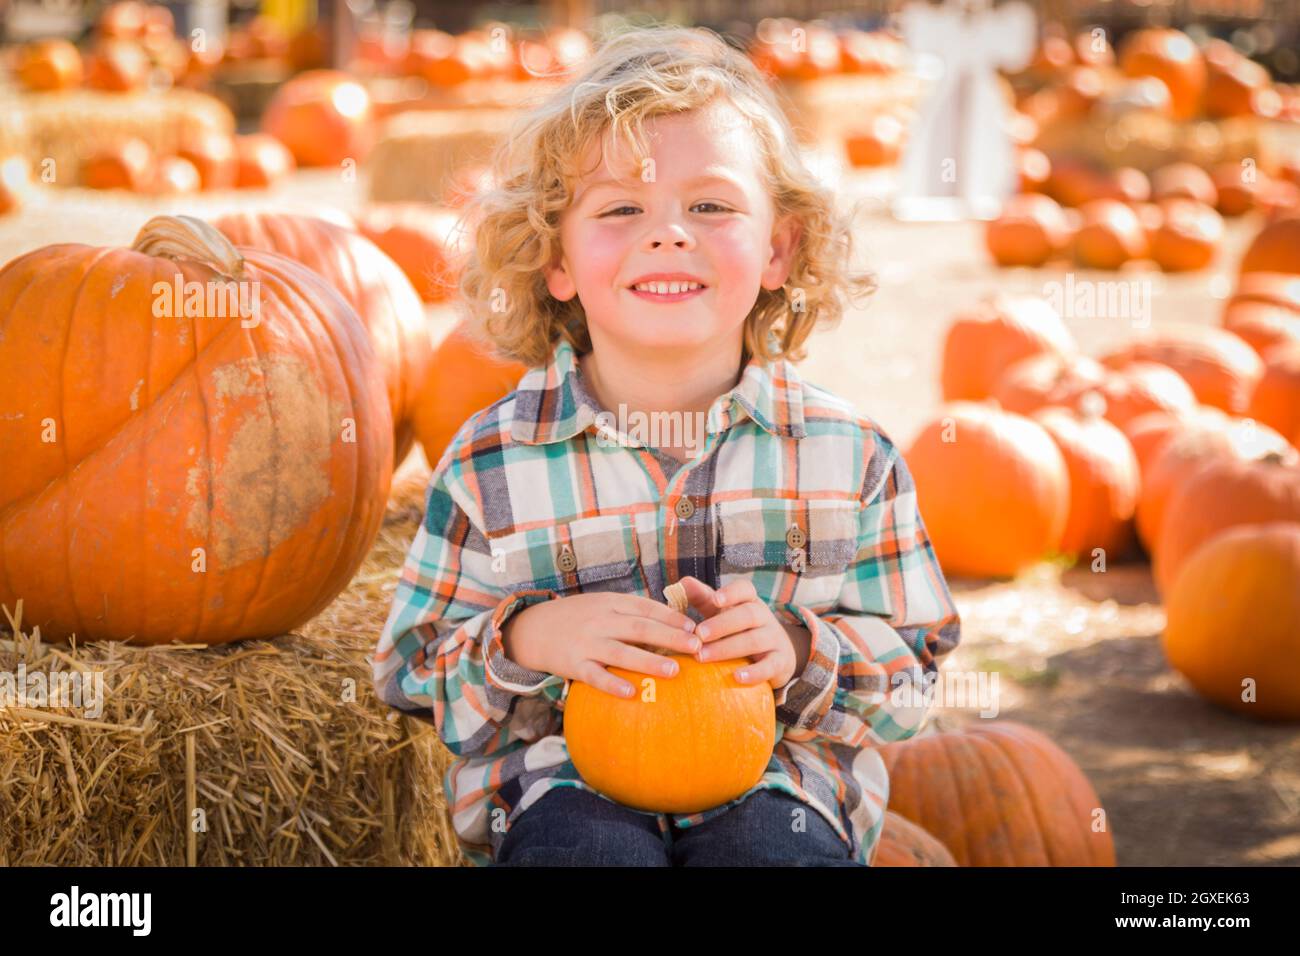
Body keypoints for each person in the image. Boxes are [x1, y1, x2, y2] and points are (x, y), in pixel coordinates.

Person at [372, 24, 961, 867]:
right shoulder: (492, 462)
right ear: (556, 259)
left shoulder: (847, 457)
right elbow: (408, 668)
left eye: (711, 206)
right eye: (621, 209)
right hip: (560, 790)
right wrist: (529, 638)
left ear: (778, 248)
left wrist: (801, 648)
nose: (669, 233)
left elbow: (918, 671)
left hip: (782, 787)